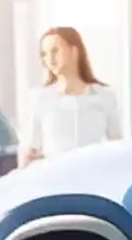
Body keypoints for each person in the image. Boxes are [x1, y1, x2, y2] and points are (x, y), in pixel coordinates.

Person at [19, 26, 121, 165]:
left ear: (74, 51)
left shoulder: (104, 97)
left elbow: (117, 146)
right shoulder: (39, 98)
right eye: (44, 54)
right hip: (55, 174)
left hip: (93, 172)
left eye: (55, 51)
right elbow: (30, 148)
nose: (50, 59)